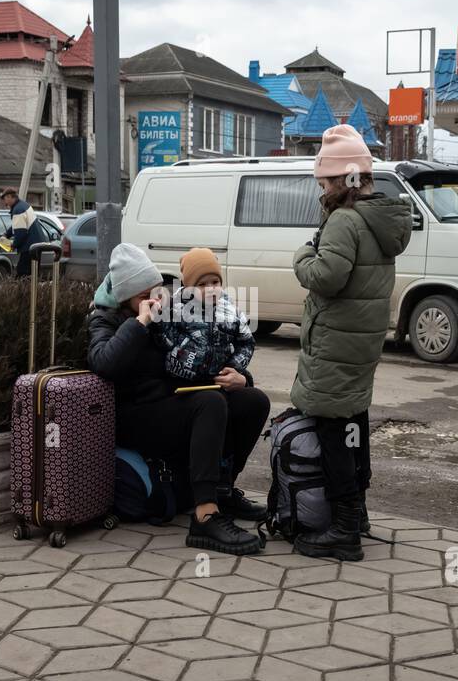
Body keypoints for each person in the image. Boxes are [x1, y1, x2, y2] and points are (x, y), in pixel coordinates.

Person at [88, 243, 270, 556]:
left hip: (175, 403)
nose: (154, 298)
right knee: (210, 404)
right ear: (126, 297)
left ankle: (222, 489)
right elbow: (105, 364)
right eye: (144, 294)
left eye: (155, 290)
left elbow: (207, 355)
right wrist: (141, 323)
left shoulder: (175, 311)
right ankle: (205, 515)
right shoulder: (106, 320)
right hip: (137, 416)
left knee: (253, 400)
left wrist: (239, 378)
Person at [290, 124, 412, 562]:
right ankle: (357, 513)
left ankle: (343, 530)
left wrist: (303, 255)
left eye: (324, 181)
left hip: (337, 341)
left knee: (333, 433)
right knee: (352, 423)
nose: (320, 189)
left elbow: (326, 277)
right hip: (361, 341)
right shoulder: (379, 217)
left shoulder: (344, 219)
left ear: (343, 178)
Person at [155, 247, 255, 384]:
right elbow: (165, 340)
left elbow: (246, 343)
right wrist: (159, 321)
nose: (210, 289)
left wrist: (233, 367)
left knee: (257, 399)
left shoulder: (231, 311)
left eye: (215, 282)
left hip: (219, 379)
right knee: (214, 401)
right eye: (202, 284)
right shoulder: (177, 309)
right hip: (183, 380)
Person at [0, 188, 39, 277]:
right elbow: (16, 226)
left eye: (5, 199)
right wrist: (6, 235)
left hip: (29, 248)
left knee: (23, 275)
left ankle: (25, 291)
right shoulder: (23, 205)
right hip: (35, 246)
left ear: (10, 197)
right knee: (32, 275)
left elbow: (21, 234)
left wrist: (11, 245)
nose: (4, 202)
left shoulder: (18, 210)